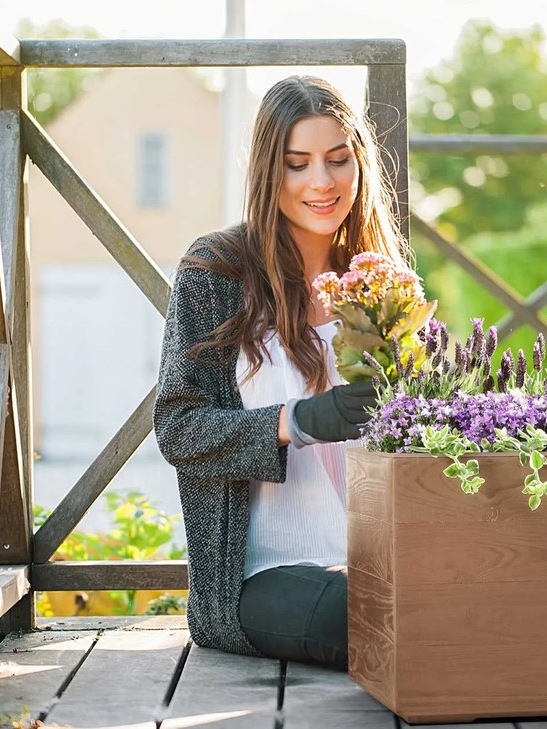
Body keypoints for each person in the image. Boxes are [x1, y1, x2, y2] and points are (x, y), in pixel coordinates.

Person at [153, 75, 411, 671]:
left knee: (465, 591)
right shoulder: (217, 271)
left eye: (337, 160)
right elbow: (179, 429)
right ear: (270, 172)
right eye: (298, 164)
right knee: (375, 612)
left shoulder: (379, 281)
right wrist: (302, 420)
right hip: (259, 575)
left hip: (378, 552)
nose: (321, 182)